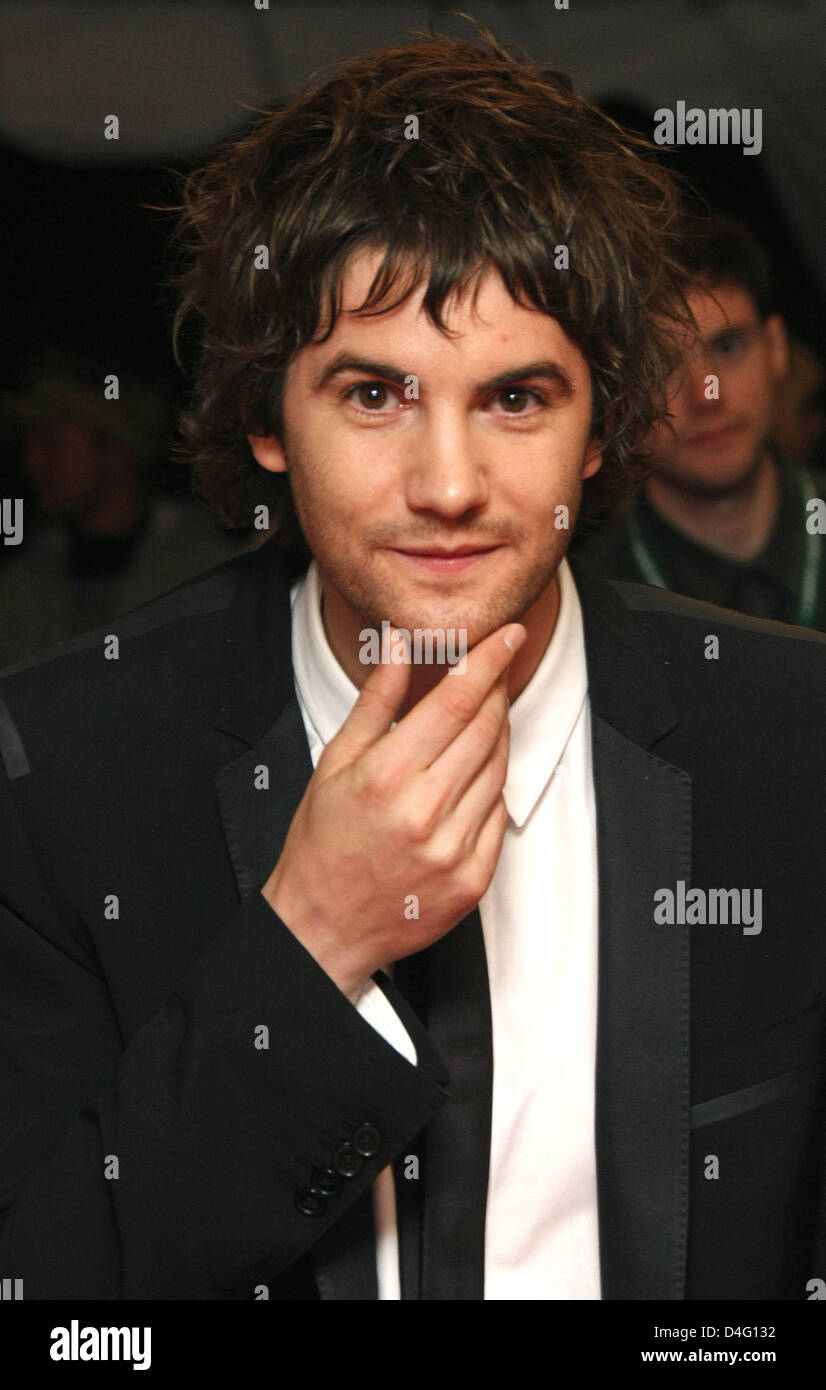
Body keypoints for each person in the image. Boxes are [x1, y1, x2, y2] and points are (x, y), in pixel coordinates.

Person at [1, 24, 825, 1302]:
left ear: (601, 425)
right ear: (267, 414)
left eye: (515, 399)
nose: (448, 487)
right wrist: (308, 940)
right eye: (373, 395)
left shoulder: (795, 739)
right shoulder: (58, 771)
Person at [576, 215, 826, 629]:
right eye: (660, 367)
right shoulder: (587, 613)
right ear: (617, 396)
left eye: (727, 347)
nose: (705, 395)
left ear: (777, 349)